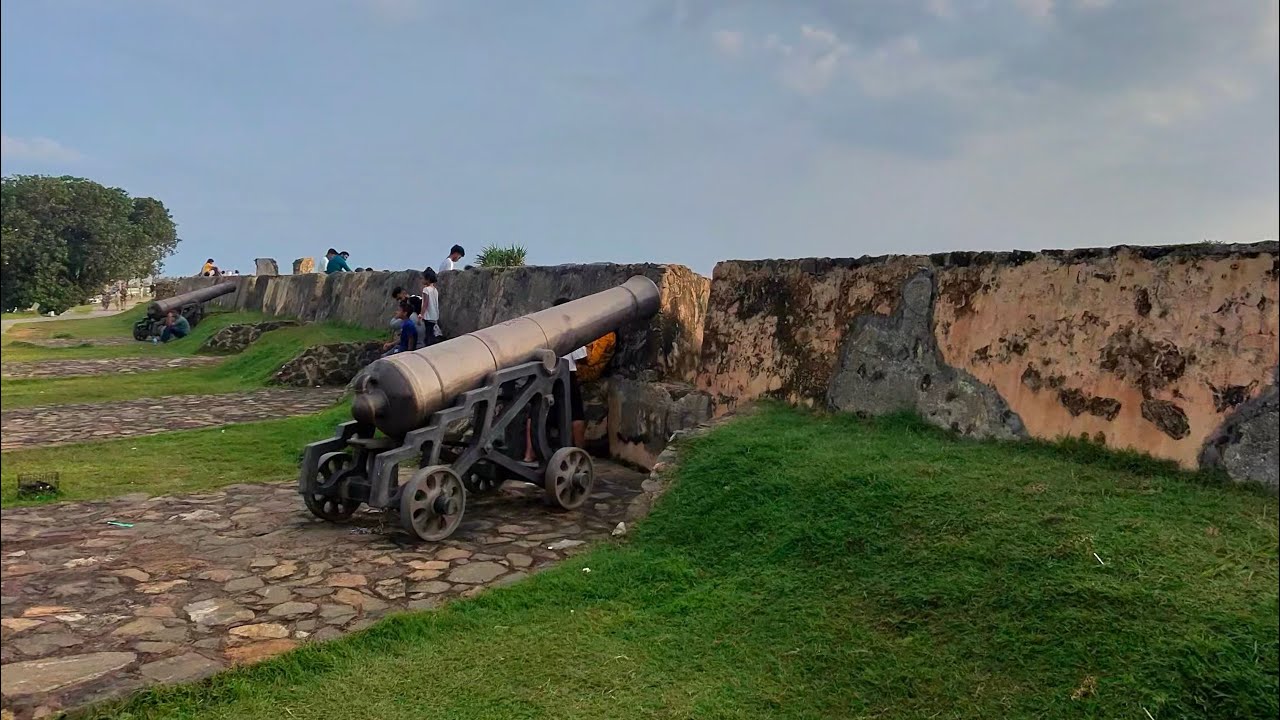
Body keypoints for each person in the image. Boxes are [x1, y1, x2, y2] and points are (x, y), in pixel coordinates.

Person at [523, 297, 588, 461]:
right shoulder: (571, 329)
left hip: (544, 374)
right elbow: (582, 358)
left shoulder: (543, 330)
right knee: (576, 414)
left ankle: (529, 453)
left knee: (535, 413)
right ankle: (580, 452)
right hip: (567, 374)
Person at [420, 268, 442, 345]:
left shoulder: (426, 290)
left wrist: (421, 314)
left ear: (428, 279)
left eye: (423, 278)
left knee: (428, 334)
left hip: (428, 316)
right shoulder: (435, 290)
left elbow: (425, 303)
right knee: (432, 332)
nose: (422, 280)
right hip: (435, 315)